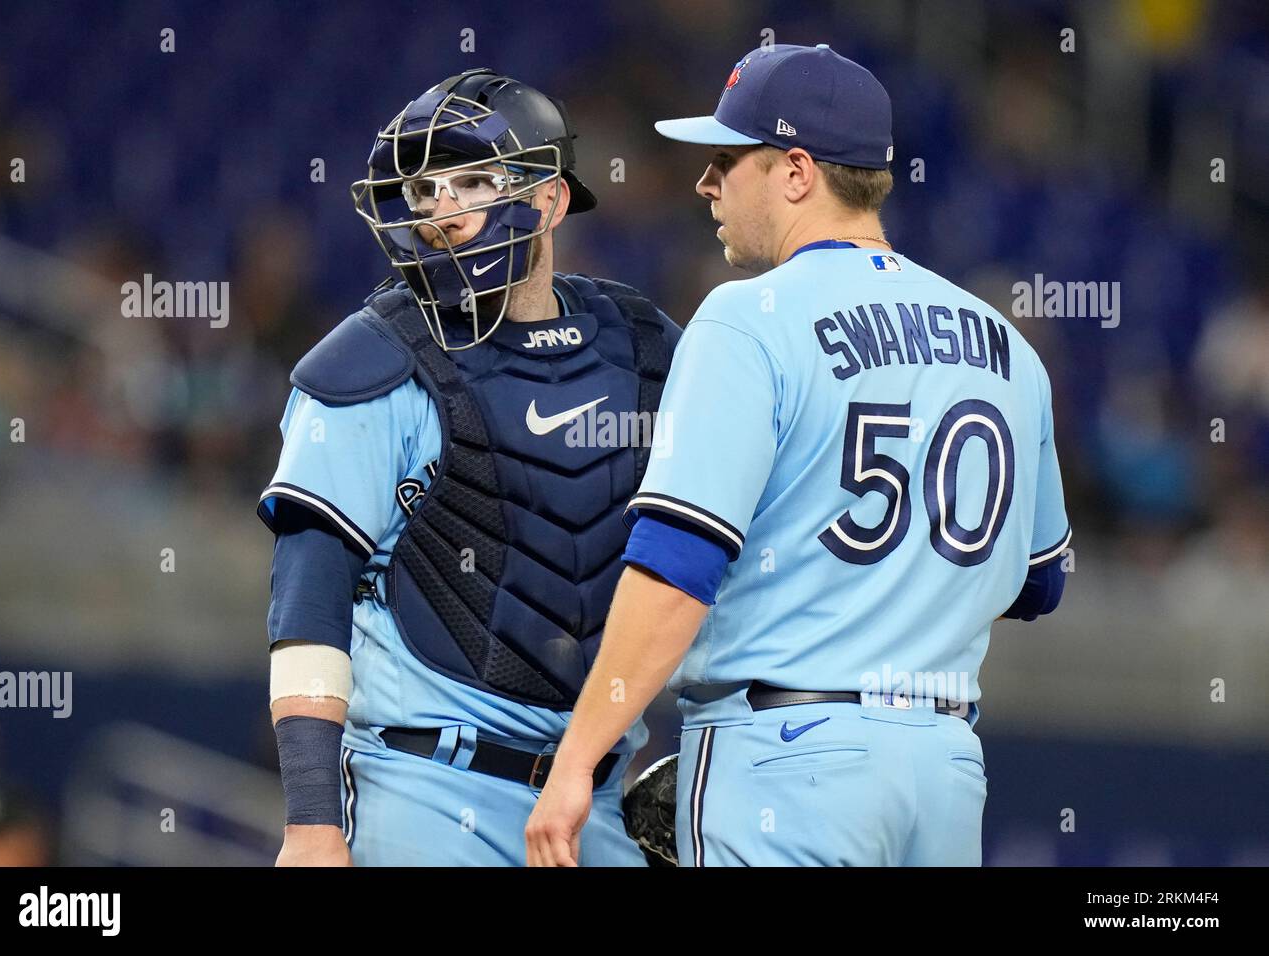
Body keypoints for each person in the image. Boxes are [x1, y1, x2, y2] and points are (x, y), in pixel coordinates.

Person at [525, 44, 1071, 867]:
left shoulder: (746, 318)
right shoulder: (1006, 345)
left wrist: (578, 762)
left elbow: (678, 565)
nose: (706, 183)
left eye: (725, 159)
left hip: (788, 755)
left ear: (795, 172)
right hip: (946, 766)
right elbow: (1040, 581)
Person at [260, 68, 679, 866]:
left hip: (596, 797)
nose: (439, 213)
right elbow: (308, 604)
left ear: (549, 200)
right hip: (425, 789)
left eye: (472, 182)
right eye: (422, 191)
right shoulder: (369, 362)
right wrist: (310, 820)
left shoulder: (643, 345)